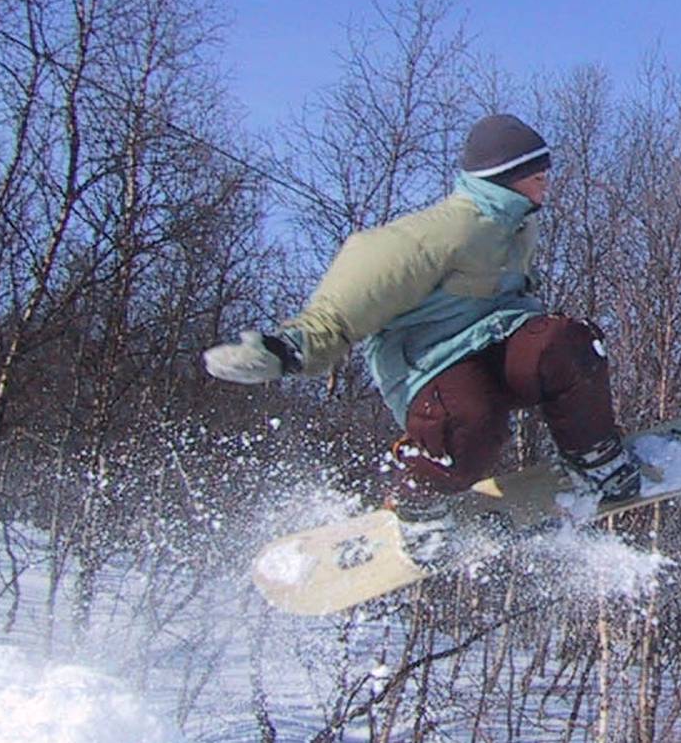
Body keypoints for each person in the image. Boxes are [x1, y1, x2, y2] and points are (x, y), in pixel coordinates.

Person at [202, 114, 641, 528]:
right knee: (474, 417)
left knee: (568, 343)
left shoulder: (517, 228)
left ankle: (594, 456)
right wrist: (287, 348)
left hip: (494, 342)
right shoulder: (441, 231)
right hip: (431, 363)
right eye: (537, 176)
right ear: (505, 178)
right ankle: (418, 499)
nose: (546, 185)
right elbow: (353, 293)